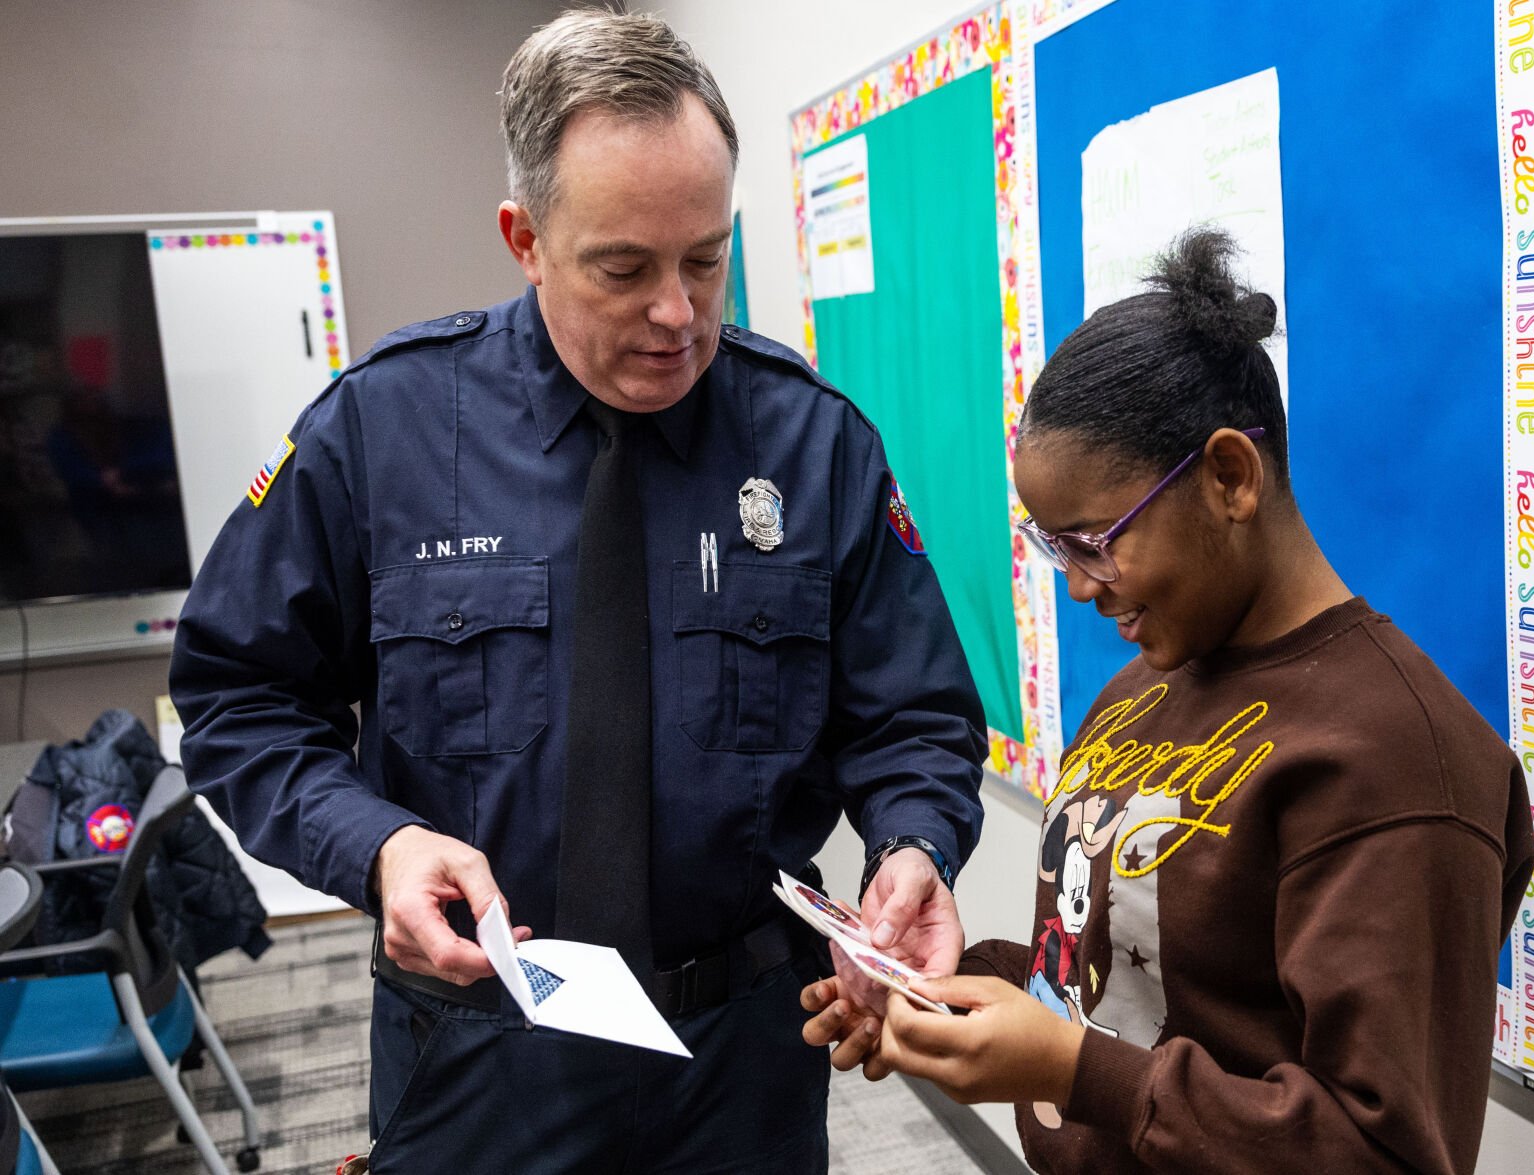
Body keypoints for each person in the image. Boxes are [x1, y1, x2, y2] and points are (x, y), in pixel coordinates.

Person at [170, 11, 985, 1172]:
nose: (678, 313)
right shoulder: (380, 434)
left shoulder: (813, 445)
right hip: (478, 1040)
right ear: (525, 237)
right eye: (625, 268)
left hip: (742, 1048)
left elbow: (910, 715)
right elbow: (237, 698)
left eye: (706, 258)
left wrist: (913, 845)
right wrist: (378, 846)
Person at [803, 228, 1534, 1174]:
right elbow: (1125, 983)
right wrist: (946, 986)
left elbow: (1381, 1152)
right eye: (1052, 547)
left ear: (1229, 477)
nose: (1077, 585)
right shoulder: (1136, 691)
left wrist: (1076, 1072)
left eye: (1094, 541)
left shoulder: (1398, 760)